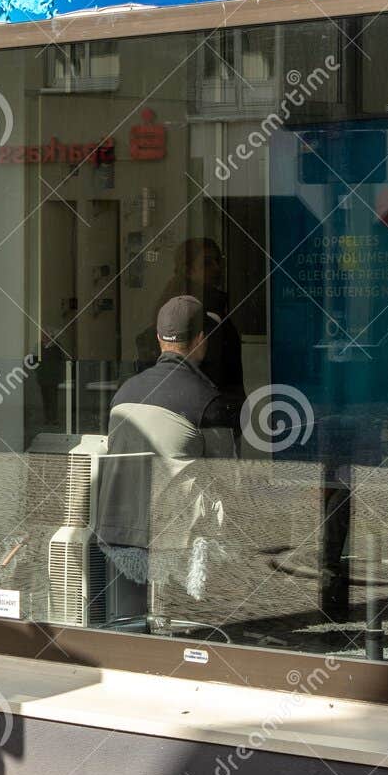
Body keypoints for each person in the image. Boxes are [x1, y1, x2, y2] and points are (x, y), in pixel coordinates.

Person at [98, 295, 238, 625]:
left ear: (159, 339)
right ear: (201, 340)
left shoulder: (123, 393)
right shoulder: (208, 401)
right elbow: (229, 477)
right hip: (180, 540)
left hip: (119, 532)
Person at [158, 237, 244, 410]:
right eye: (207, 263)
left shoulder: (215, 304)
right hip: (205, 411)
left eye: (218, 261)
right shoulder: (185, 310)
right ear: (188, 270)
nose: (216, 268)